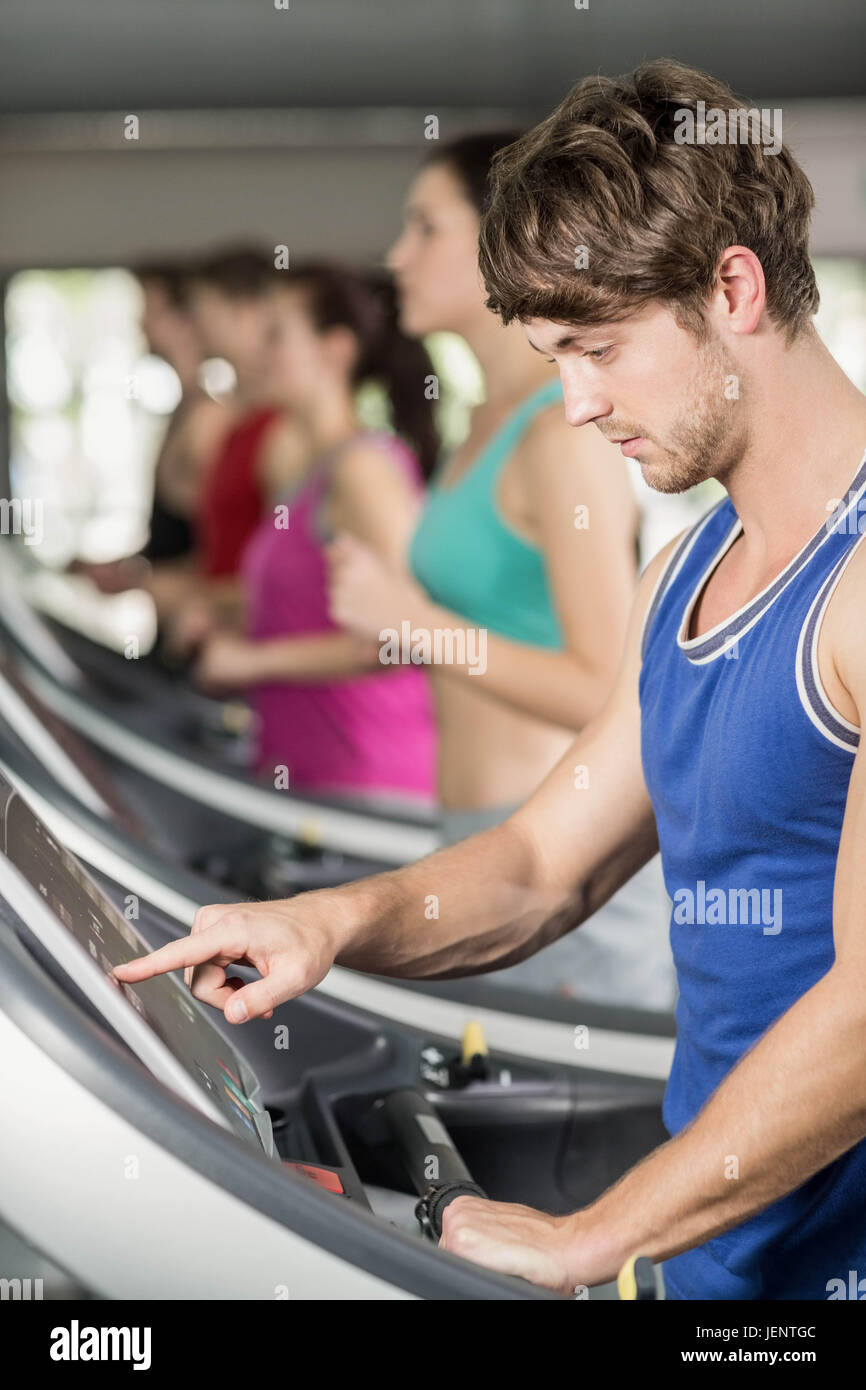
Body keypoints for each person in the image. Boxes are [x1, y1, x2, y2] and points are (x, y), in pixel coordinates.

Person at [114, 58, 866, 1300]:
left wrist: (592, 1232)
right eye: (550, 356)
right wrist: (331, 924)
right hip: (716, 1260)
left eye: (600, 348)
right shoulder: (686, 572)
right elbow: (538, 867)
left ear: (732, 288)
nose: (573, 404)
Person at [327, 132, 673, 1006]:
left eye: (424, 227)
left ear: (499, 238)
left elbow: (606, 687)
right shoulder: (482, 424)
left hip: (557, 856)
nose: (397, 256)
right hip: (477, 837)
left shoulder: (559, 435)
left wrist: (411, 622)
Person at [192, 262, 438, 805]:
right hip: (307, 777)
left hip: (370, 780)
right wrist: (224, 616)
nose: (258, 353)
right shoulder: (304, 472)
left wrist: (252, 662)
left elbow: (410, 635)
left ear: (335, 350)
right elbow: (314, 606)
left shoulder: (364, 470)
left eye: (277, 334)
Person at [161, 246, 299, 644]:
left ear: (245, 310)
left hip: (255, 641)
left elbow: (288, 572)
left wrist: (195, 597)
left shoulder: (282, 426)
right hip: (226, 636)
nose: (195, 324)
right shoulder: (233, 418)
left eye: (203, 309)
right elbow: (190, 503)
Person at [71, 260, 232, 599]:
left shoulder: (207, 422)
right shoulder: (184, 411)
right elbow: (173, 542)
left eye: (150, 310)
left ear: (185, 320)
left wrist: (134, 578)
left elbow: (216, 554)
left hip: (195, 627)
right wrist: (126, 567)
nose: (140, 324)